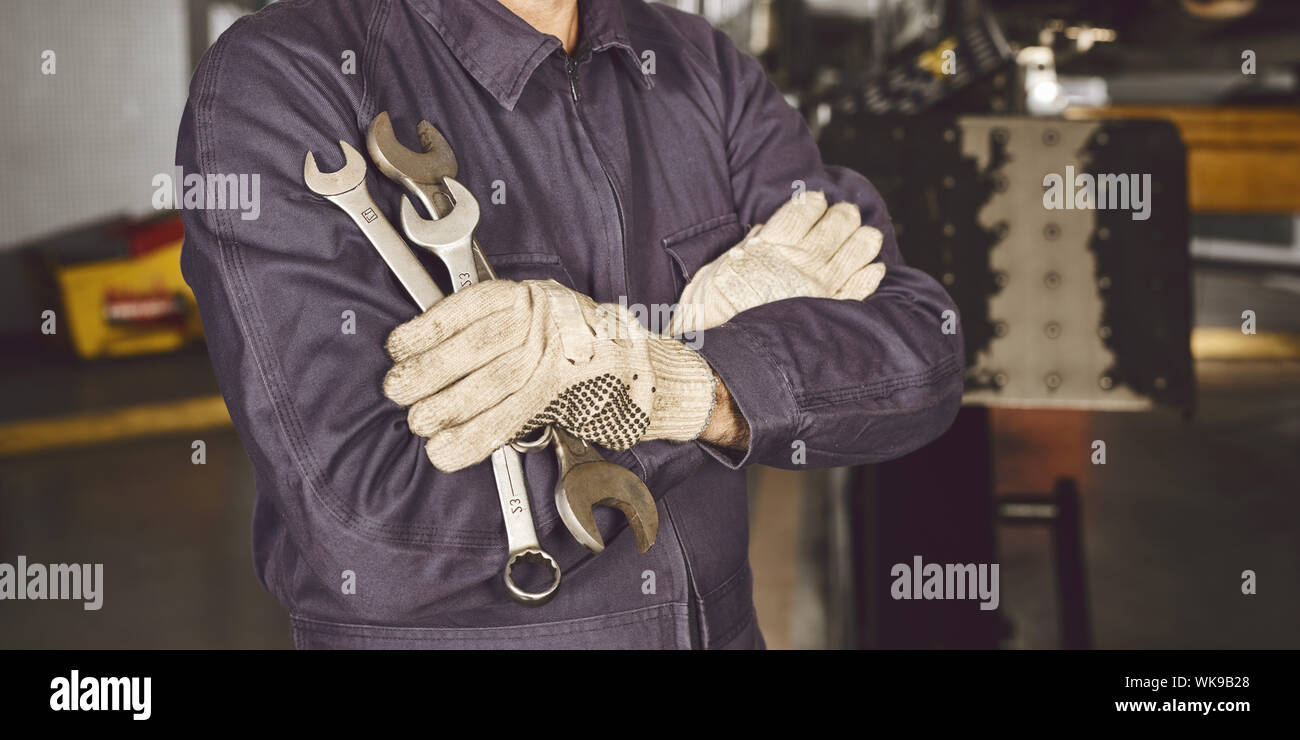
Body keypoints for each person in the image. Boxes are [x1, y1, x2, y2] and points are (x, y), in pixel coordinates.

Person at [176, 0, 964, 649]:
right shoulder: (285, 78)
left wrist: (674, 380)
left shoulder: (698, 64)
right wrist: (707, 378)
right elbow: (372, 532)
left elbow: (919, 357)